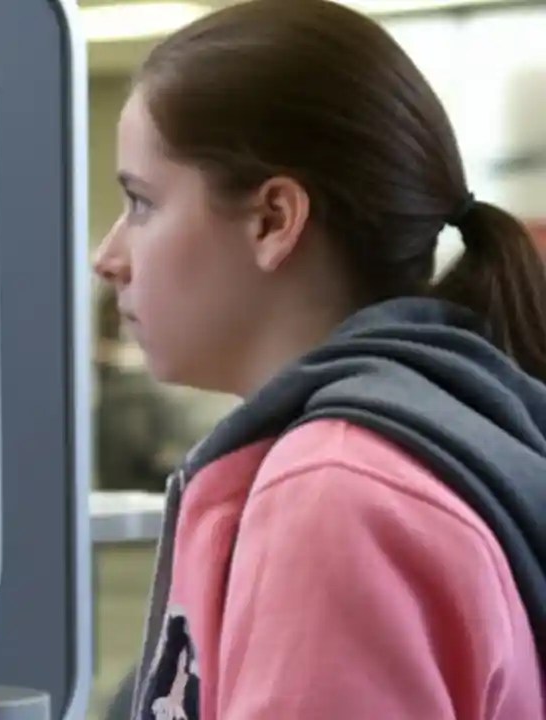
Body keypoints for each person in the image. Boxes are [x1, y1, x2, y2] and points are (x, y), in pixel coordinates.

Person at [91, 1, 546, 718]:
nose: (109, 257)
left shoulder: (335, 496)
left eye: (142, 203)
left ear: (273, 220)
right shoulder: (442, 428)